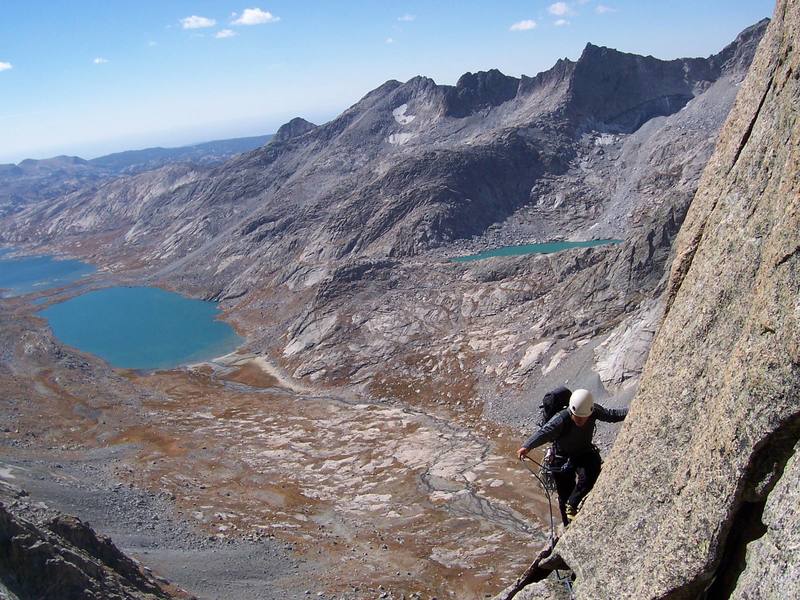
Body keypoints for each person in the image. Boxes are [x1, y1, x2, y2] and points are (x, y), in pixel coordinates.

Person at [517, 388, 627, 525]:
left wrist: (633, 409)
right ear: (572, 411)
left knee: (590, 474)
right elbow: (544, 433)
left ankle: (572, 503)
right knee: (564, 495)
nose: (580, 421)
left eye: (583, 418)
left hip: (583, 453)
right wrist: (527, 446)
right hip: (560, 458)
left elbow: (612, 415)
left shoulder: (593, 411)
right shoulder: (562, 418)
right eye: (578, 417)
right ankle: (567, 524)